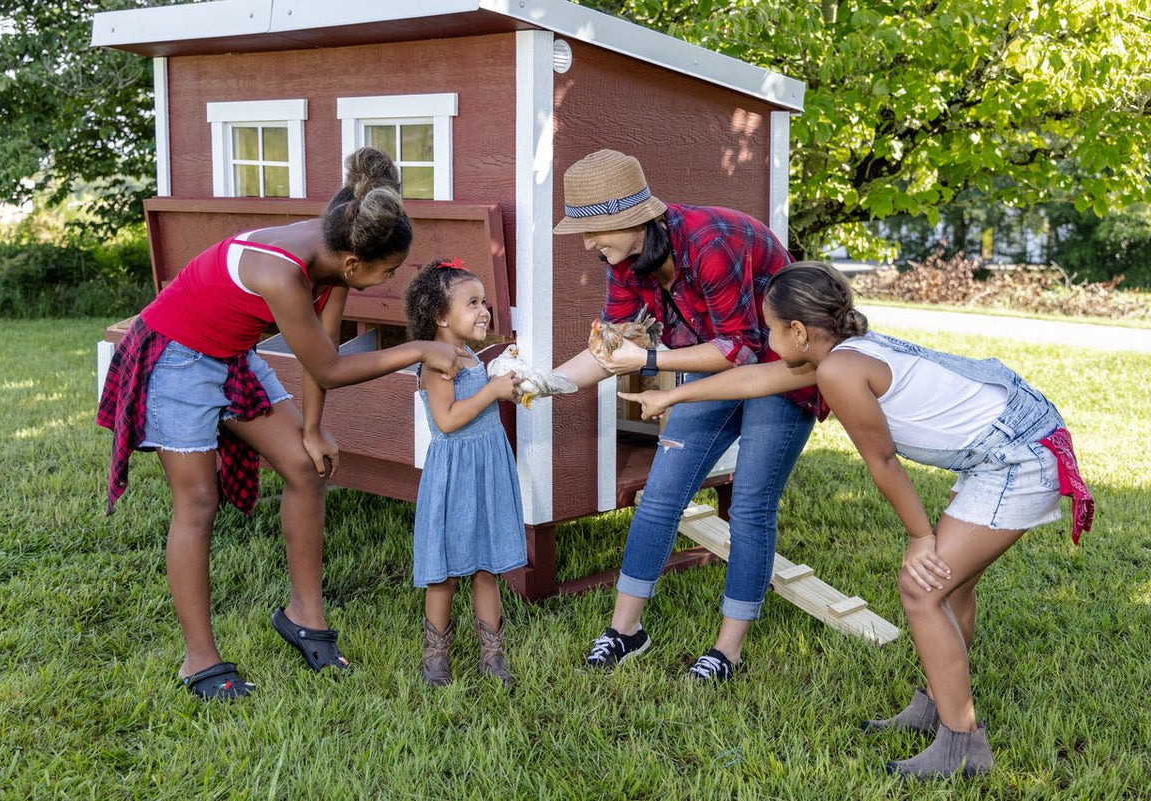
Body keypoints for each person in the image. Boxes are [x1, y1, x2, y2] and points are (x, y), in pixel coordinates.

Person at [620, 261, 1094, 778]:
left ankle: (963, 746)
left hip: (1018, 457)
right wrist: (670, 394)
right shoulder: (842, 351)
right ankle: (937, 706)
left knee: (921, 587)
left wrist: (920, 537)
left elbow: (883, 461)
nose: (768, 339)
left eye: (772, 328)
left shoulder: (838, 371)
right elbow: (758, 377)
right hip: (1010, 438)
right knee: (951, 588)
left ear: (799, 331)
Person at [97, 147, 463, 701]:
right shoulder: (280, 271)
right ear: (353, 264)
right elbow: (330, 367)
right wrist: (418, 348)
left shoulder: (340, 242)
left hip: (229, 356)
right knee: (198, 503)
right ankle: (199, 659)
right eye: (387, 272)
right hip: (175, 359)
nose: (387, 279)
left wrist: (313, 429)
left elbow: (326, 346)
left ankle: (303, 614)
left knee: (307, 466)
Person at [550, 149, 825, 681]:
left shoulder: (708, 240)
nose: (587, 245)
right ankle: (626, 631)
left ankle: (727, 652)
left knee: (749, 506)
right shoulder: (624, 261)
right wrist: (547, 382)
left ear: (631, 220)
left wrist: (651, 359)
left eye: (593, 230)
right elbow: (611, 347)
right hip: (711, 357)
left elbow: (743, 348)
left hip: (784, 367)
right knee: (660, 496)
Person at [403, 258, 527, 686]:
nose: (484, 311)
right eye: (472, 303)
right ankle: (435, 662)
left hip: (486, 470)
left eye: (484, 302)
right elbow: (448, 420)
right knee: (445, 573)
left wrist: (503, 382)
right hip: (455, 476)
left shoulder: (471, 356)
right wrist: (493, 390)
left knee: (486, 566)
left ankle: (493, 659)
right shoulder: (438, 364)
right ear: (440, 316)